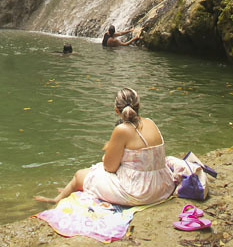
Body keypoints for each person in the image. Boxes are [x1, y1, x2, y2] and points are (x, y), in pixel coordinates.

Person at [34, 87, 175, 206]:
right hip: (162, 186)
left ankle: (55, 200)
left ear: (116, 110)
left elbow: (109, 167)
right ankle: (71, 189)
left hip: (140, 192)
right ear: (139, 106)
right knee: (90, 173)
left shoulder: (122, 129)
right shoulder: (151, 122)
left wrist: (107, 153)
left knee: (79, 175)